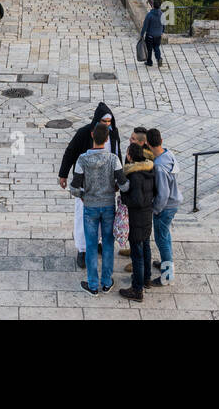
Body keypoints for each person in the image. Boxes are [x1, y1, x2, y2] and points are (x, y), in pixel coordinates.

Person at [58, 103, 121, 268]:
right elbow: (71, 152)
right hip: (86, 186)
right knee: (82, 218)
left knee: (103, 219)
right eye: (104, 121)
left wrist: (117, 180)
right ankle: (83, 249)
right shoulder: (84, 133)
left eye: (109, 121)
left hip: (106, 186)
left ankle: (97, 242)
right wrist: (63, 174)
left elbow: (117, 153)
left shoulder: (113, 134)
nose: (107, 125)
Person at [69, 121, 128, 296]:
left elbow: (74, 188)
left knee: (91, 245)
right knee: (108, 244)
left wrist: (83, 195)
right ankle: (107, 282)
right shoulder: (113, 159)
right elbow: (124, 185)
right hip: (108, 206)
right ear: (107, 138)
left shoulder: (82, 160)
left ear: (92, 136)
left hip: (90, 207)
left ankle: (93, 285)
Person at [119, 143, 156, 301]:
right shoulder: (150, 170)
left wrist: (123, 198)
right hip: (147, 217)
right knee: (146, 248)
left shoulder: (134, 176)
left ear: (129, 156)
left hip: (136, 220)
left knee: (137, 256)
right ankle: (146, 279)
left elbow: (137, 200)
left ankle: (137, 290)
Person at [147, 128, 180, 287]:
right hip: (173, 202)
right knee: (165, 237)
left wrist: (155, 209)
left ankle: (167, 276)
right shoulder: (168, 154)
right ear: (161, 140)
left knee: (162, 240)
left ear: (148, 143)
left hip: (165, 207)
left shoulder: (159, 166)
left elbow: (163, 194)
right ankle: (167, 264)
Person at [140, 0, 165, 67]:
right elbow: (164, 25)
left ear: (153, 6)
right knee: (156, 47)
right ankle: (159, 58)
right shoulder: (162, 14)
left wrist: (142, 34)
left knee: (149, 49)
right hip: (158, 35)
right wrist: (162, 32)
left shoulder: (149, 15)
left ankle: (149, 62)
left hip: (150, 36)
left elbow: (145, 26)